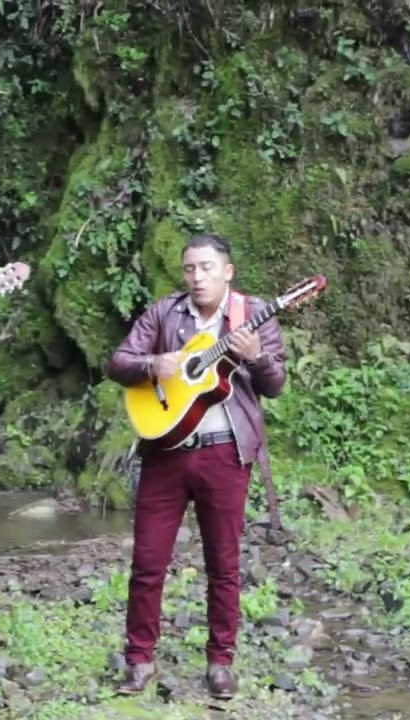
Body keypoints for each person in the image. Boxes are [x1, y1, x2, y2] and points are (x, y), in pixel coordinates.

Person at [105, 234, 287, 700]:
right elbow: (118, 362)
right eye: (189, 269)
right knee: (147, 561)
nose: (196, 277)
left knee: (223, 564)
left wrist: (255, 357)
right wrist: (153, 365)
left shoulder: (252, 315)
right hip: (166, 452)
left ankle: (220, 662)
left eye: (206, 268)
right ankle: (139, 659)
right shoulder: (165, 313)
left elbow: (275, 384)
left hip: (225, 454)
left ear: (228, 271)